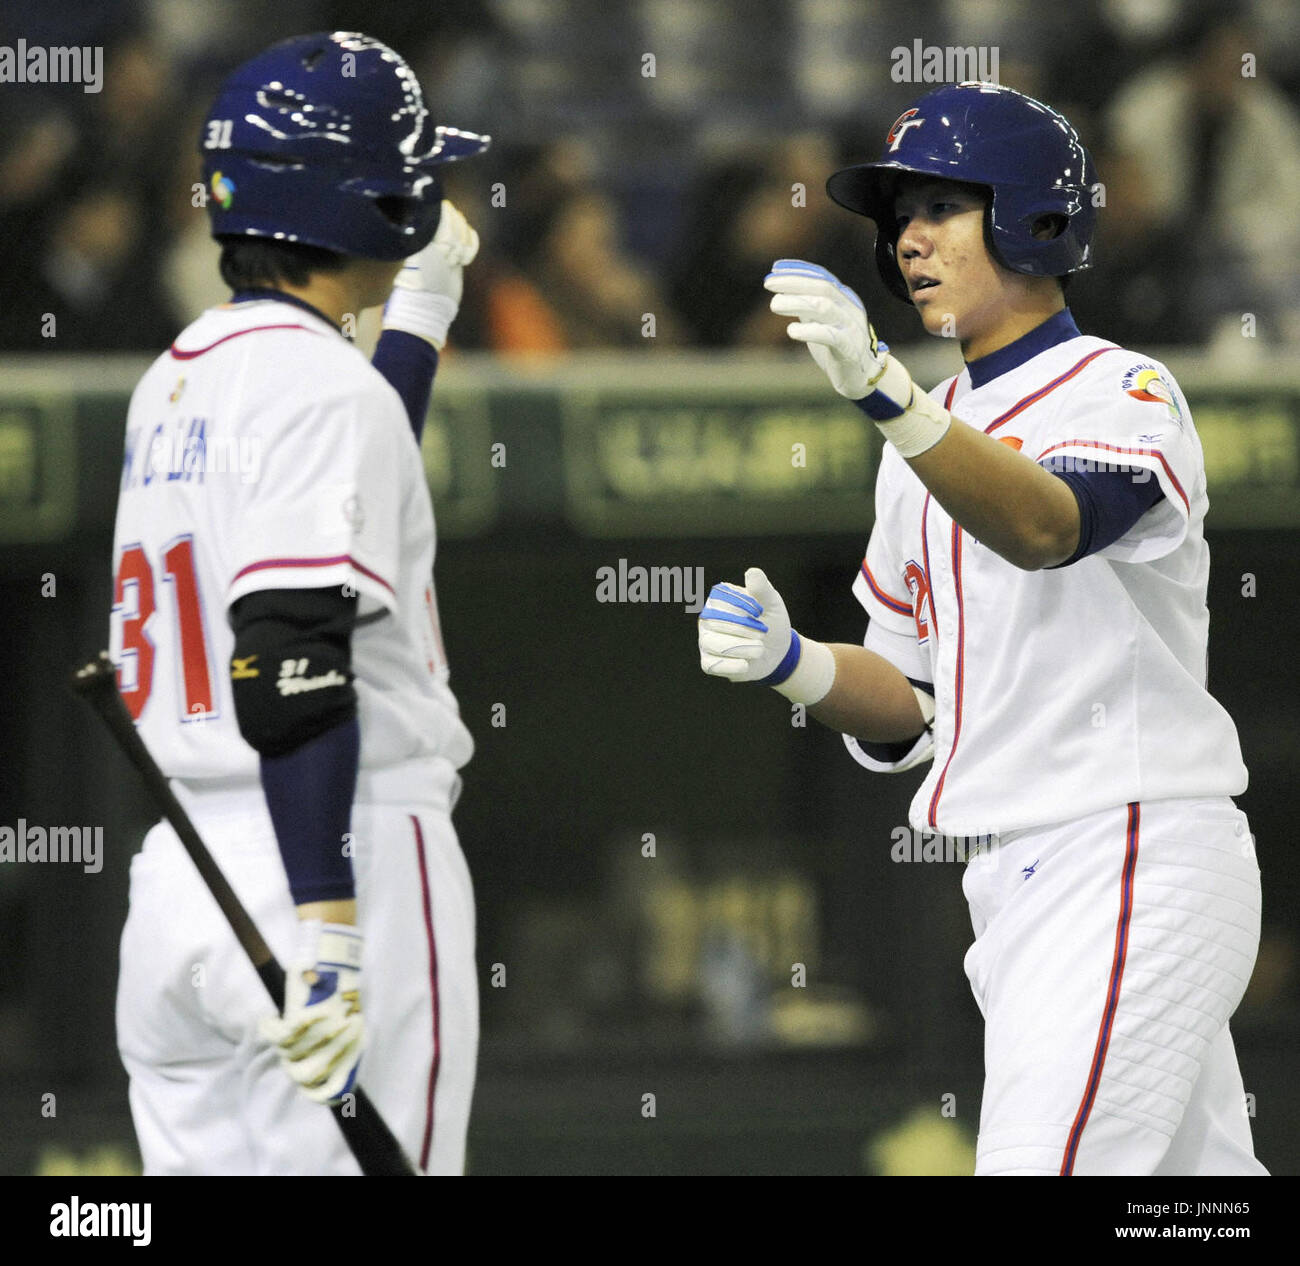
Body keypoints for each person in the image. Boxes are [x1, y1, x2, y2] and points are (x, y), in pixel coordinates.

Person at [697, 82, 1267, 1177]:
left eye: (940, 209)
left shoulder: (1118, 384)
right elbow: (911, 702)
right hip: (1015, 881)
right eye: (898, 218)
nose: (908, 240)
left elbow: (1048, 526)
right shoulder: (925, 439)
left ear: (1031, 217)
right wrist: (798, 665)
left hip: (1126, 844)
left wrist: (884, 397)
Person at [109, 31, 487, 1175]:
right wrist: (325, 920)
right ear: (367, 198)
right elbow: (292, 659)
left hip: (179, 872)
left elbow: (341, 487)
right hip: (334, 845)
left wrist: (414, 322)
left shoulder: (176, 370)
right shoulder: (318, 388)